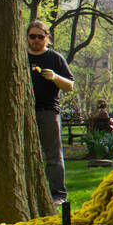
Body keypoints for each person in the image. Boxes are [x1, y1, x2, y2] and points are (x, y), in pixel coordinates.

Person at [26, 20, 75, 204]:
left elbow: (70, 85)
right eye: (33, 36)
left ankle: (58, 194)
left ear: (47, 38)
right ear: (27, 38)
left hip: (48, 112)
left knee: (53, 155)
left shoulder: (54, 58)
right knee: (26, 153)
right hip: (24, 112)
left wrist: (55, 77)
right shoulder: (22, 57)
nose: (36, 40)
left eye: (40, 36)